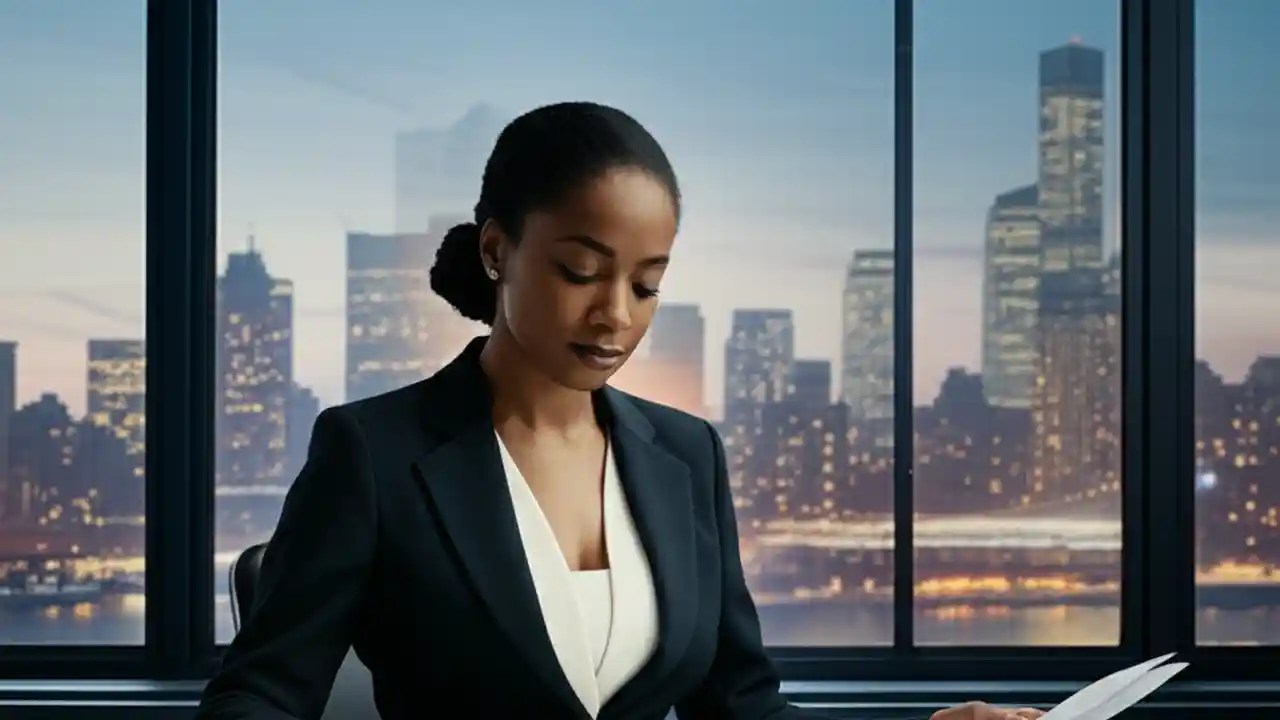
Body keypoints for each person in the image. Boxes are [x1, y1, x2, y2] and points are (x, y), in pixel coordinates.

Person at [195, 101, 1045, 720]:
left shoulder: (687, 454)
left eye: (646, 286)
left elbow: (743, 708)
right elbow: (257, 698)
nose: (617, 316)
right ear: (497, 250)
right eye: (579, 272)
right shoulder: (371, 452)